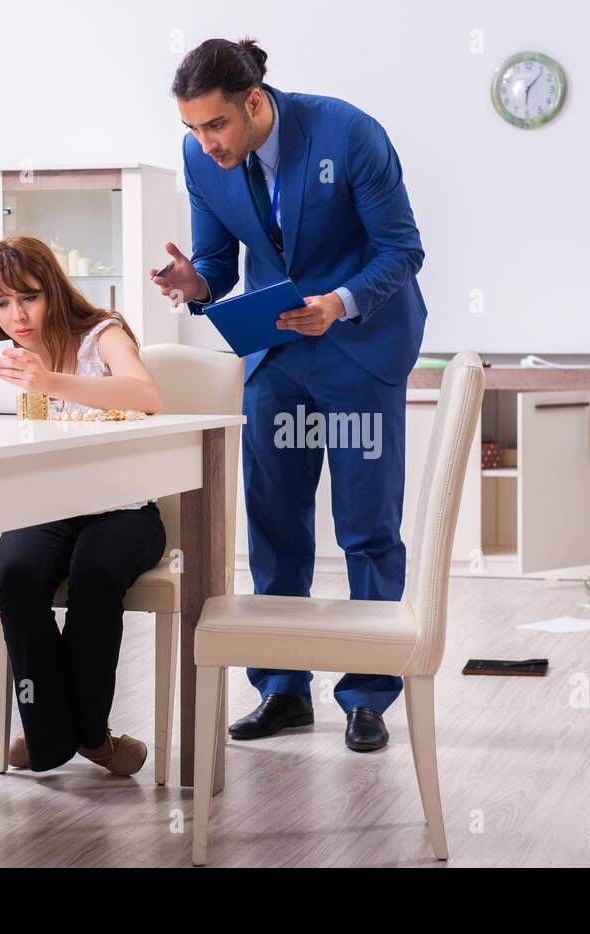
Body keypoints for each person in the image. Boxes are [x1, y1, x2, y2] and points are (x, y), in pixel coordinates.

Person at [153, 38, 426, 752]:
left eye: (215, 126)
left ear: (252, 102)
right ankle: (282, 688)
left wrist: (339, 301)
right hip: (277, 350)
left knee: (366, 525)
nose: (204, 144)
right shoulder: (199, 160)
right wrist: (197, 283)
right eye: (191, 129)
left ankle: (368, 693)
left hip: (359, 345)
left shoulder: (347, 132)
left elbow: (402, 249)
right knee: (273, 521)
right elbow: (217, 259)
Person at [0, 236, 166, 775]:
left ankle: (75, 734)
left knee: (97, 573)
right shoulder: (1, 353)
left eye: (28, 297)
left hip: (123, 509)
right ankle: (67, 734)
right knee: (13, 575)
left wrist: (50, 379)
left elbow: (147, 395)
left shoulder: (102, 333)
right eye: (3, 303)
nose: (17, 315)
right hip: (46, 507)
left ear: (53, 290)